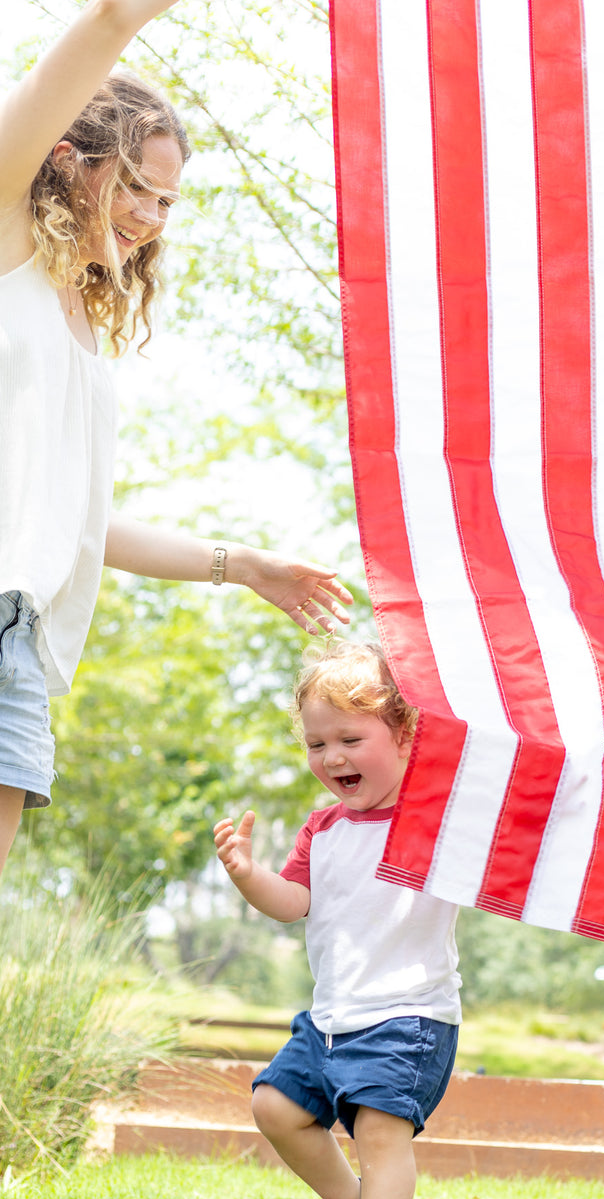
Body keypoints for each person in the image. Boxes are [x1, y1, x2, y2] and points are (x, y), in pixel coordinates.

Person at [0, 0, 352, 876]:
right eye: (133, 186)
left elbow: (82, 524)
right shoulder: (7, 239)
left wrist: (241, 567)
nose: (152, 215)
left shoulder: (81, 322)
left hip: (22, 632)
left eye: (166, 199)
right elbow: (94, 39)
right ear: (65, 159)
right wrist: (124, 16)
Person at [213, 641, 461, 1199]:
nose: (333, 757)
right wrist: (247, 875)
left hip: (408, 1016)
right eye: (318, 744)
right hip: (331, 1018)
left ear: (405, 734)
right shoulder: (322, 829)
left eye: (351, 737)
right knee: (275, 1106)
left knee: (380, 1136)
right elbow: (293, 903)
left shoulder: (436, 821)